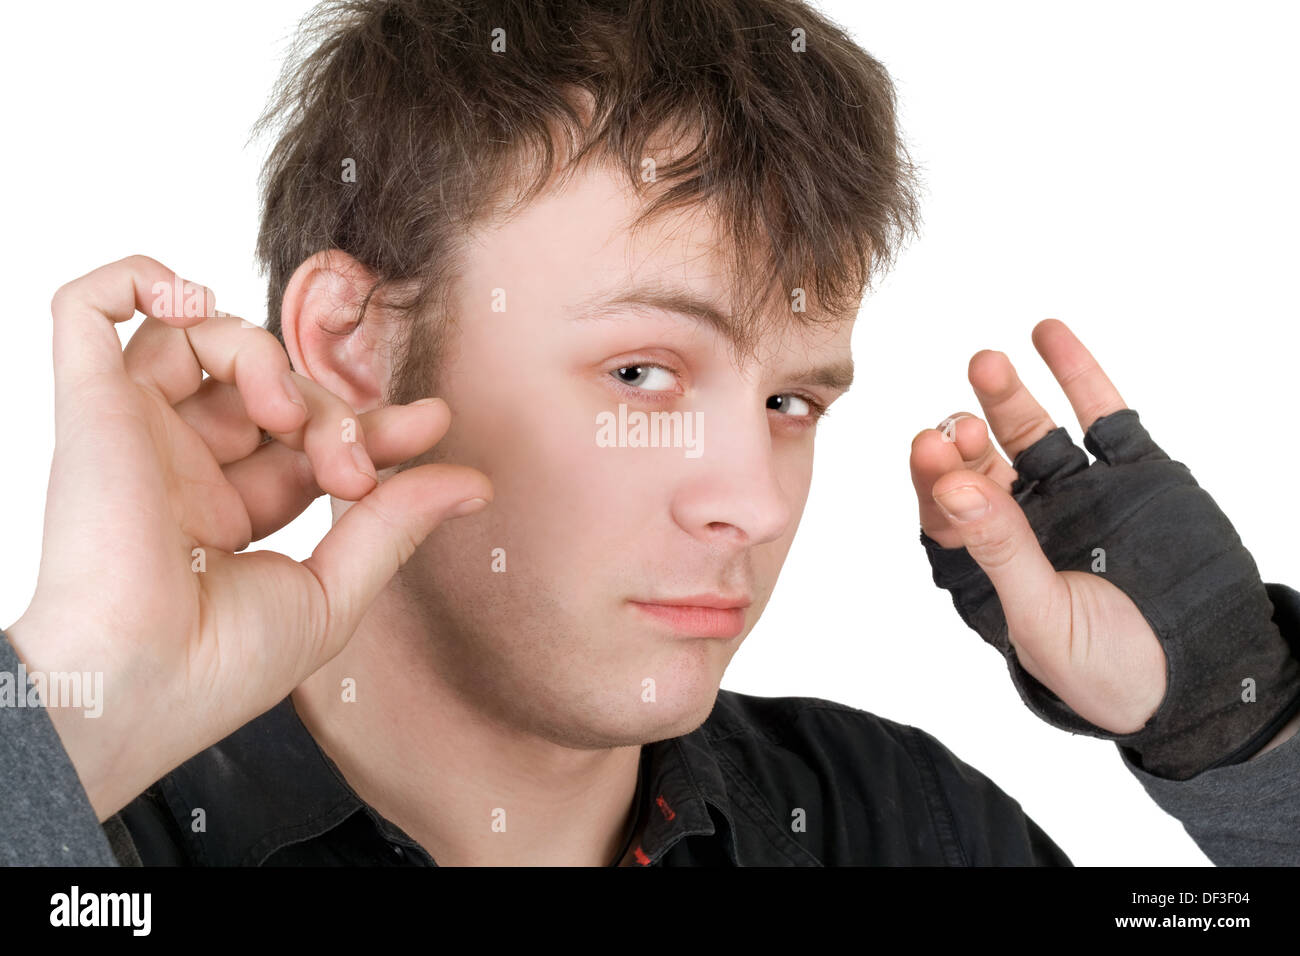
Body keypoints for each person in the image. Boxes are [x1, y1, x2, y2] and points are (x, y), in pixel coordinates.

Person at [3, 0, 1299, 868]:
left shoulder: (895, 829)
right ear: (355, 348)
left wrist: (1247, 747)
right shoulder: (93, 836)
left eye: (791, 402)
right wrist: (70, 715)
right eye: (640, 369)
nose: (752, 499)